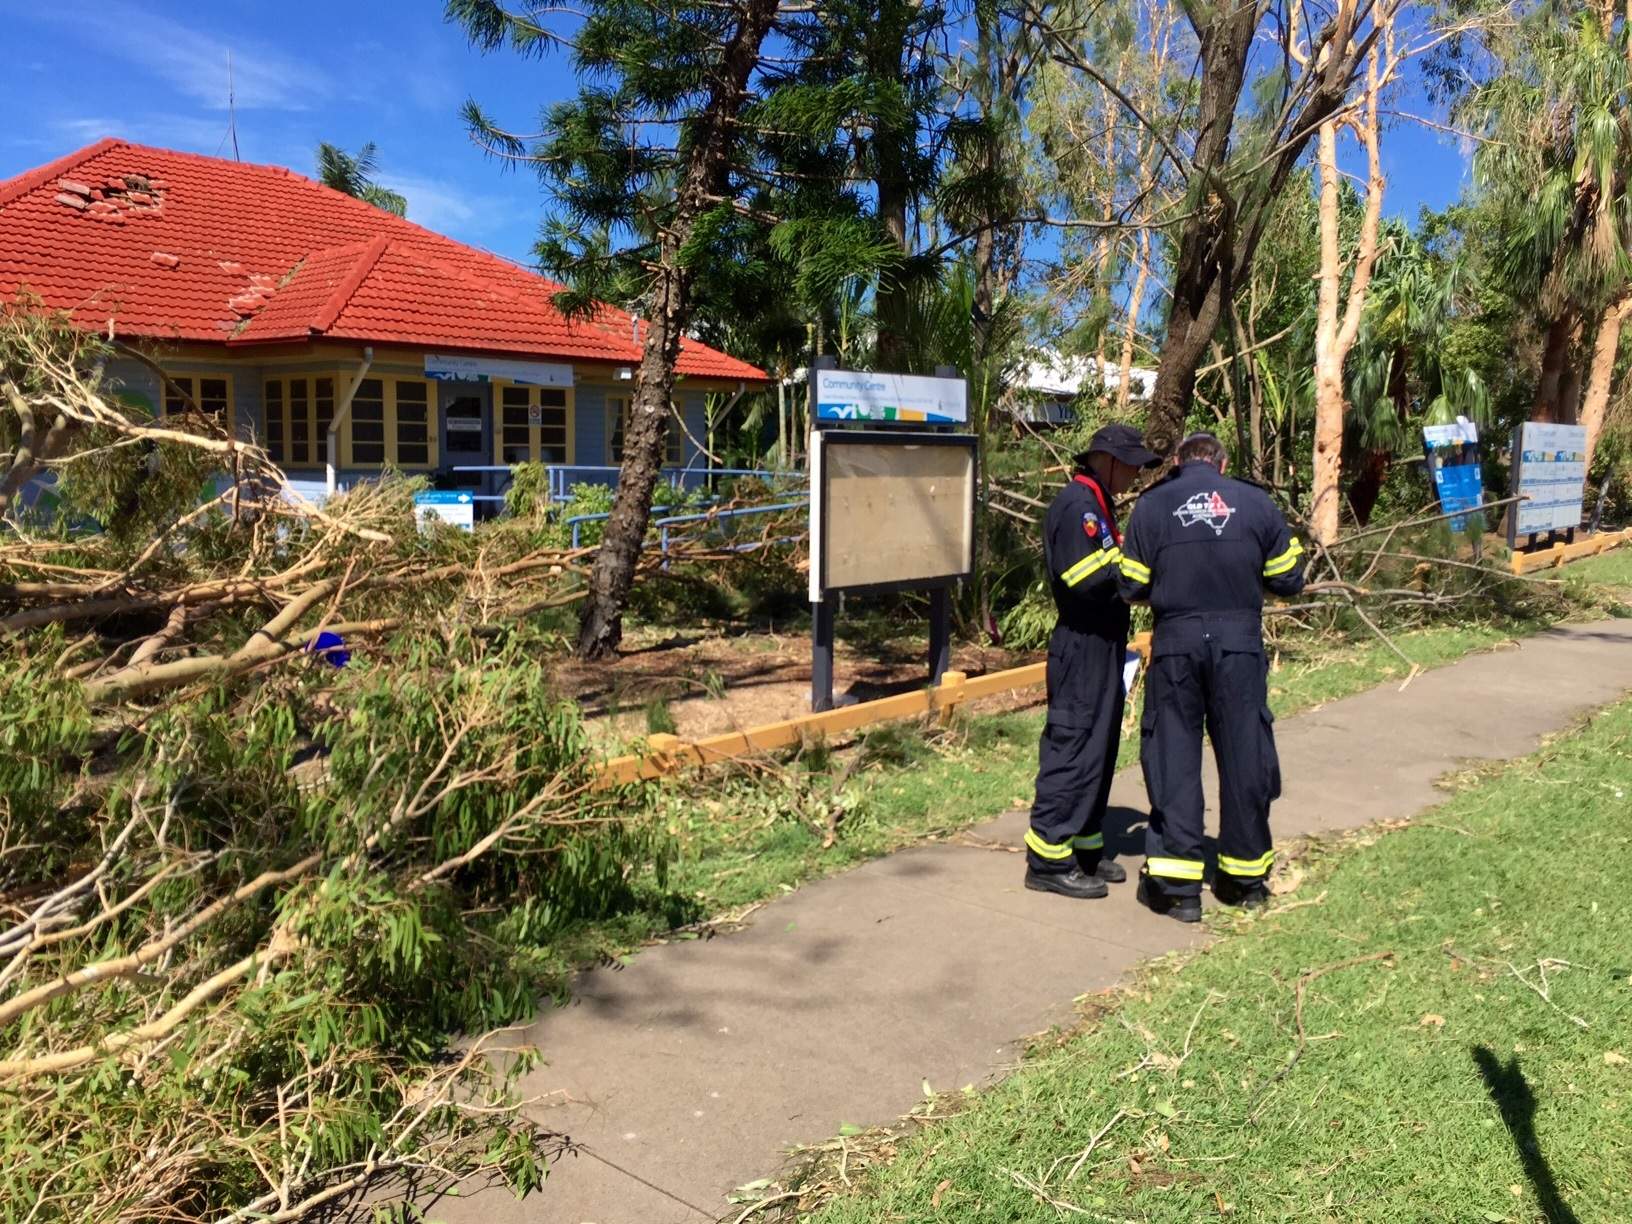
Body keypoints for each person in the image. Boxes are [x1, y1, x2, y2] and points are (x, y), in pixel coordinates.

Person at [1116, 432, 1307, 923]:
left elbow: (1130, 585)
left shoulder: (1152, 507)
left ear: (1178, 463)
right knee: (1246, 754)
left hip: (1176, 643)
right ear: (1222, 466)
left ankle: (1178, 889)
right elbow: (1289, 580)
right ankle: (1243, 882)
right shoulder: (1256, 504)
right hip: (1239, 645)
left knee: (1174, 755)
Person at [1023, 423, 1161, 900]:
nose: (1134, 476)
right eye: (1132, 466)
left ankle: (1085, 845)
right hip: (1081, 643)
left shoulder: (1097, 503)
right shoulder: (1079, 506)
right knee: (1073, 742)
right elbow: (1086, 578)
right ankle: (1047, 857)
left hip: (1104, 642)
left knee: (1098, 746)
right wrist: (1139, 571)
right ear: (1107, 461)